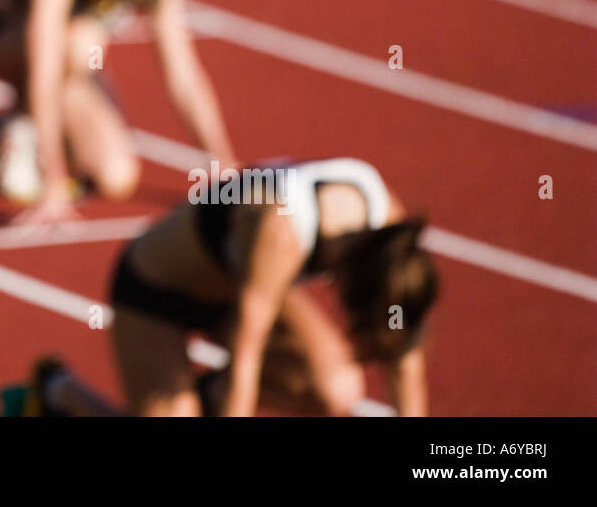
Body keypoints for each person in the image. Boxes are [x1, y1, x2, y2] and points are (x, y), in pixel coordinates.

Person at [23, 158, 438, 417]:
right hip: (156, 291)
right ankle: (59, 390)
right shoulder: (283, 230)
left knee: (337, 388)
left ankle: (193, 399)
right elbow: (245, 361)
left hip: (237, 289)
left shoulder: (391, 239)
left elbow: (405, 363)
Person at [0, 0, 237, 223]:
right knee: (81, 41)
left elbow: (182, 73)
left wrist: (221, 162)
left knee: (116, 176)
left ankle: (12, 128)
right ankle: (19, 130)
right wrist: (53, 182)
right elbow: (42, 69)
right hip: (2, 42)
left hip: (73, 68)